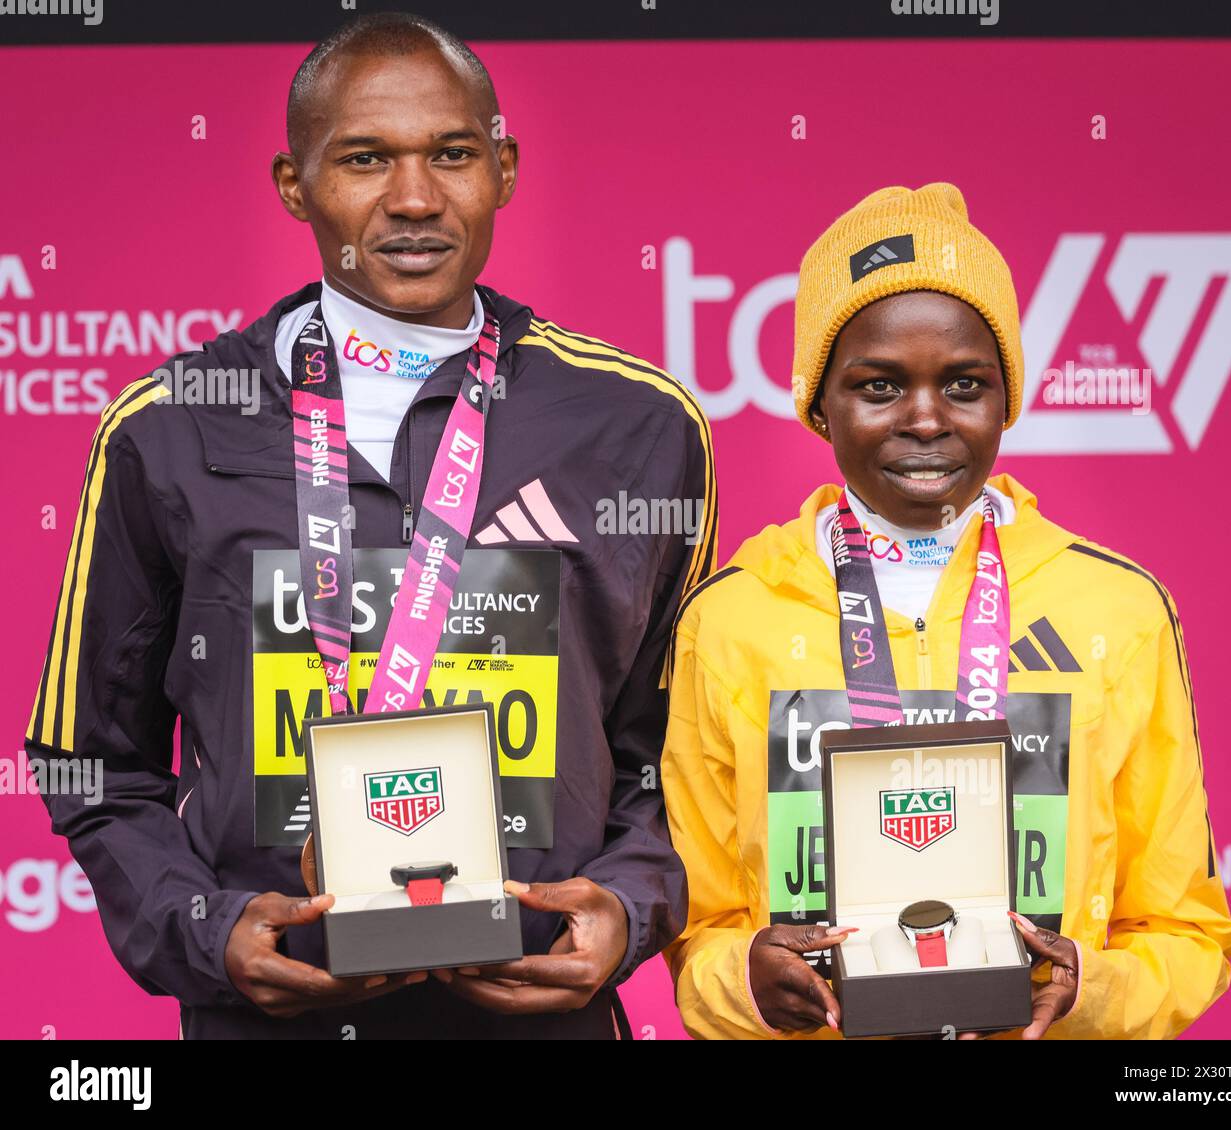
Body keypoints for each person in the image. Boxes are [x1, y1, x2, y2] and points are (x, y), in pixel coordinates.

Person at [24, 13, 715, 1039]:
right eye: (363, 158)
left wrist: (624, 903)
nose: (414, 198)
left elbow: (681, 755)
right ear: (294, 184)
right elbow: (92, 760)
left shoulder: (640, 428)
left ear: (505, 169)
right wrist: (206, 929)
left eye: (452, 153)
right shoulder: (168, 426)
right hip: (270, 1021)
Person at [661, 182, 1231, 1040]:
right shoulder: (730, 617)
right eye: (880, 386)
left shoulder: (1119, 607)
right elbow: (697, 931)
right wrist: (745, 981)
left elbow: (1188, 933)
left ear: (1008, 399)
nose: (926, 419)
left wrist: (1093, 990)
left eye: (965, 384)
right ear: (819, 404)